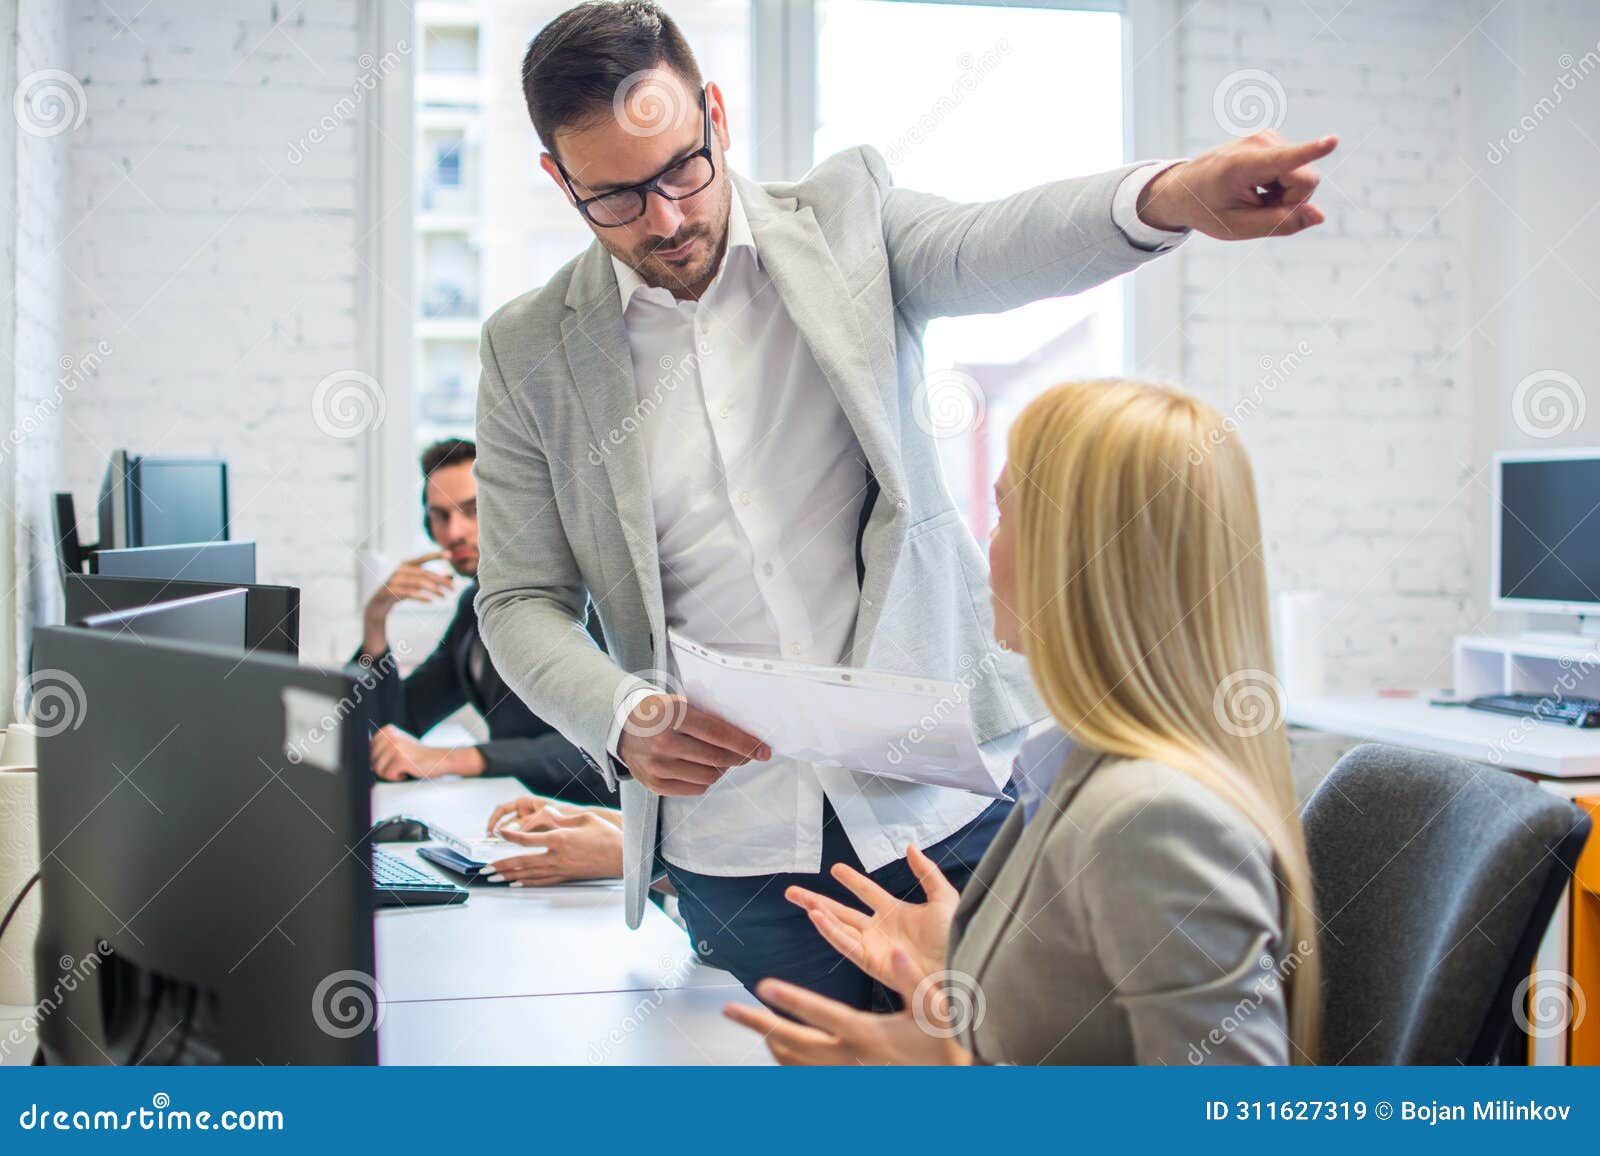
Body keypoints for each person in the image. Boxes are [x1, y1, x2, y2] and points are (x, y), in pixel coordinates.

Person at [472, 0, 1336, 1006]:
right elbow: (519, 599)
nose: (665, 219)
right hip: (734, 850)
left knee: (988, 1088)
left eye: (681, 171)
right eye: (616, 199)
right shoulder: (528, 348)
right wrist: (620, 712)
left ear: (714, 114)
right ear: (557, 180)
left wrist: (1173, 195)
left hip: (943, 803)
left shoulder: (846, 220)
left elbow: (992, 244)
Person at [722, 379, 1321, 1064]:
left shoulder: (1156, 817)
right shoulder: (1077, 767)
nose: (987, 544)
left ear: (1077, 557)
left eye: (1005, 516)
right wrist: (972, 957)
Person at [355, 437, 616, 808]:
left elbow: (603, 744)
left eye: (472, 510)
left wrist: (454, 759)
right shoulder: (473, 608)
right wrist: (375, 621)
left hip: (594, 826)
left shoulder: (577, 600)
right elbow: (398, 721)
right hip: (516, 813)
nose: (454, 532)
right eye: (440, 516)